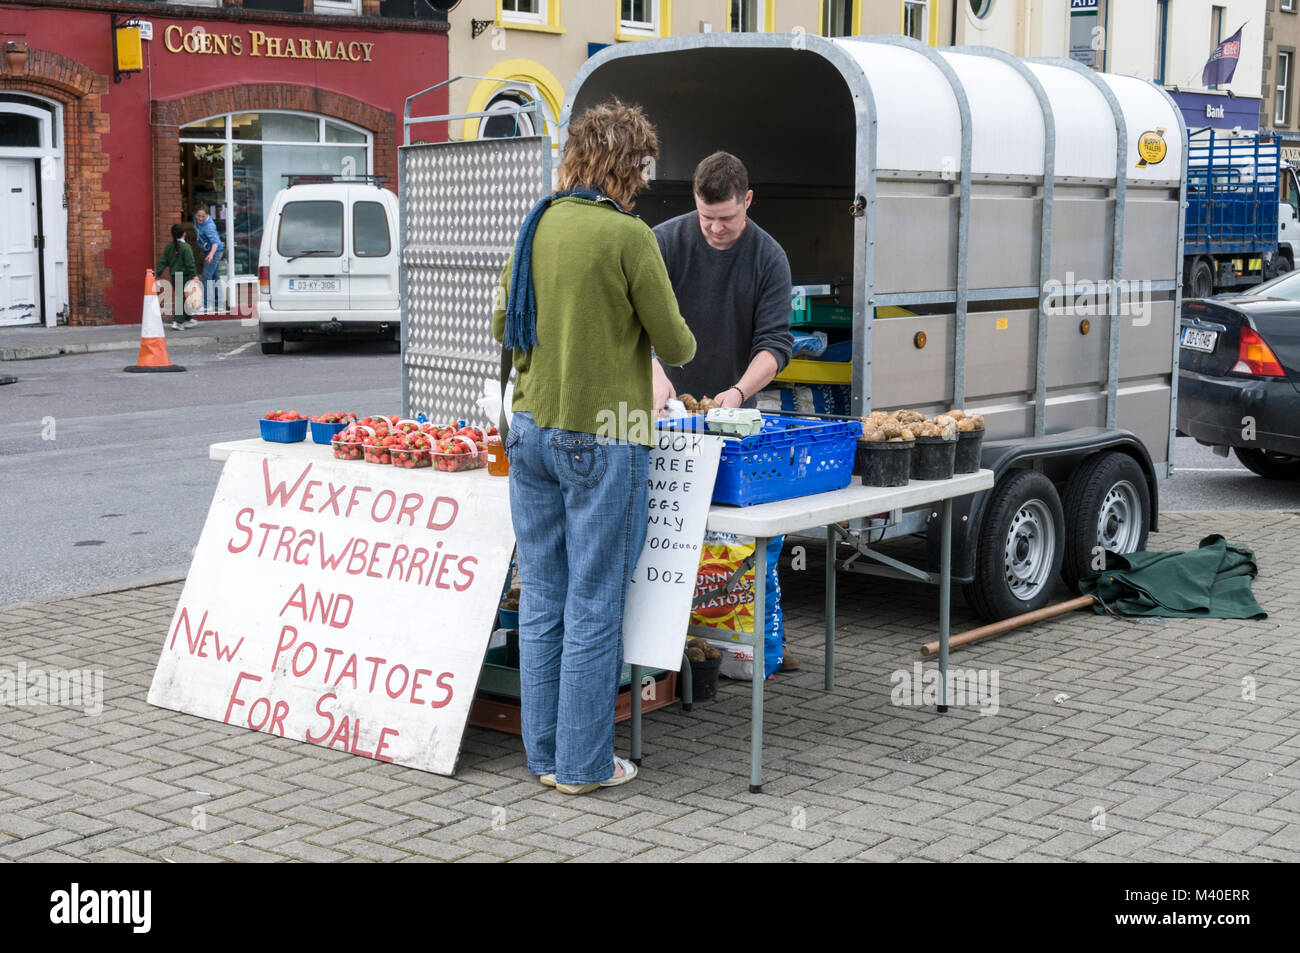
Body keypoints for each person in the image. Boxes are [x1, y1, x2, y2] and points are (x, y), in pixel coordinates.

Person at [491, 101, 696, 795]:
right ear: (630, 167)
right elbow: (678, 344)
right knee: (594, 602)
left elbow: (501, 320)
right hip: (604, 436)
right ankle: (583, 765)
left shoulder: (537, 224)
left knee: (544, 596)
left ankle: (546, 754)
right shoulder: (628, 236)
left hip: (530, 433)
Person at [650, 151, 799, 671]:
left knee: (736, 539)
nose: (715, 228)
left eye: (727, 218)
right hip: (661, 413)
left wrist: (735, 394)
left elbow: (776, 345)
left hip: (733, 420)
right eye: (706, 216)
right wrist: (654, 370)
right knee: (667, 539)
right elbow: (631, 322)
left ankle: (748, 648)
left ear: (748, 202)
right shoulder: (664, 241)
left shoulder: (769, 257)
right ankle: (666, 647)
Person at [156, 224, 198, 331]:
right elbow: (190, 263)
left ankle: (187, 319)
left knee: (183, 297)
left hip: (175, 276)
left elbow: (163, 261)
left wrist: (157, 273)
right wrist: (194, 275)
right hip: (184, 276)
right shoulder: (186, 247)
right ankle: (178, 322)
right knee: (182, 298)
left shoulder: (169, 247)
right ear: (184, 234)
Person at [192, 207, 224, 313]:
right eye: (198, 216)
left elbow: (215, 243)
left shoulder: (209, 226)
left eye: (203, 216)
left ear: (207, 216)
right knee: (215, 276)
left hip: (214, 252)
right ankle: (219, 303)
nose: (200, 218)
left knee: (206, 275)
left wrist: (210, 255)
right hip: (208, 251)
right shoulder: (195, 219)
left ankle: (207, 305)